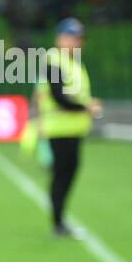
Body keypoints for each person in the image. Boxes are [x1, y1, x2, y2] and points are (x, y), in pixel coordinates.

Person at [34, 17, 101, 238]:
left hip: (71, 129)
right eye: (73, 37)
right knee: (62, 175)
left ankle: (60, 220)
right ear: (61, 38)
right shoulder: (55, 60)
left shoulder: (72, 62)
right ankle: (58, 223)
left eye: (79, 38)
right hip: (60, 129)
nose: (78, 42)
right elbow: (58, 96)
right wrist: (86, 107)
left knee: (67, 173)